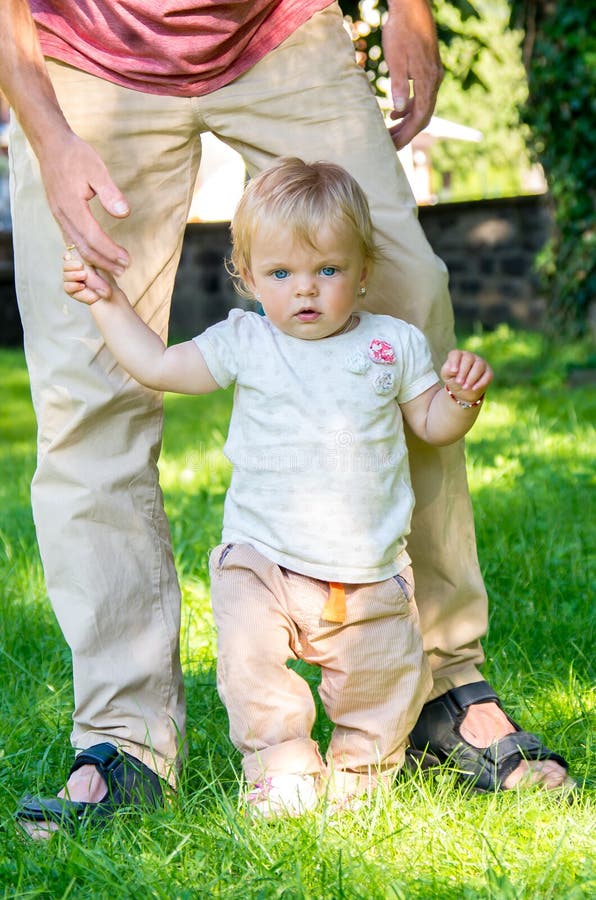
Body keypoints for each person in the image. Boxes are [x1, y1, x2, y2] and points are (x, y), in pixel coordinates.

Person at [4, 0, 570, 833]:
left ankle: (442, 684)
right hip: (81, 53)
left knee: (410, 301)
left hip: (278, 27)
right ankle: (125, 738)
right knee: (86, 392)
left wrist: (412, 13)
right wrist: (45, 128)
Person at [62, 158, 496, 816]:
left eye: (328, 271)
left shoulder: (393, 344)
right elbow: (156, 365)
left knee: (382, 684)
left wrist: (461, 399)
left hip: (368, 566)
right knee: (253, 669)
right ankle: (282, 766)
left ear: (363, 271)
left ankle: (363, 770)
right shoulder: (247, 341)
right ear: (248, 275)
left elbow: (434, 426)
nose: (307, 291)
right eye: (282, 274)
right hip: (261, 556)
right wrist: (109, 304)